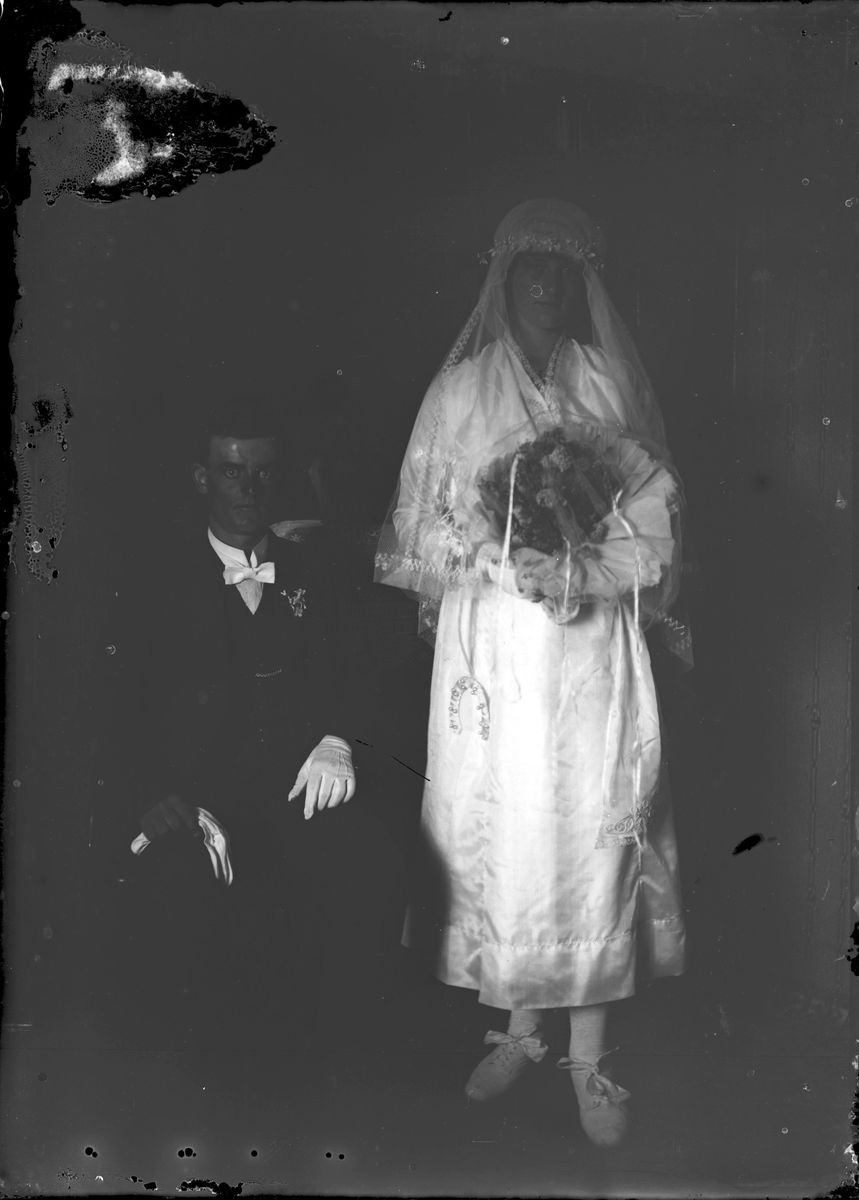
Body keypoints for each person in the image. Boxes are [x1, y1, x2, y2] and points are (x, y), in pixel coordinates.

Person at [375, 199, 691, 1146]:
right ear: (502, 278)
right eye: (530, 266)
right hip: (501, 644)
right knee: (512, 826)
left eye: (563, 266)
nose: (548, 281)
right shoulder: (462, 391)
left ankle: (591, 1057)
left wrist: (582, 569)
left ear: (585, 279)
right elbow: (419, 529)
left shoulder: (606, 383)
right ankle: (519, 1030)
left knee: (592, 822)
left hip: (592, 645)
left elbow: (653, 516)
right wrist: (502, 563)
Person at [106, 401, 393, 1055]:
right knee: (177, 902)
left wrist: (340, 739)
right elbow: (116, 714)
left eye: (263, 472)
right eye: (232, 472)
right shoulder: (152, 583)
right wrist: (156, 796)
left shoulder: (315, 573)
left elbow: (359, 675)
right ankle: (204, 1082)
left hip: (297, 796)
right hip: (197, 803)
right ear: (203, 478)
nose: (249, 488)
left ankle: (336, 1066)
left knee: (370, 855)